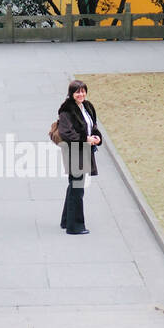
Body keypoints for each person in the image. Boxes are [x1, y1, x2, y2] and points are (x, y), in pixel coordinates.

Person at [56, 79, 101, 234]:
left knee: (74, 186)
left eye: (83, 91)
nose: (81, 94)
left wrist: (96, 136)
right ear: (71, 94)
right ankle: (74, 226)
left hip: (85, 150)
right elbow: (66, 133)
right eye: (77, 91)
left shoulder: (87, 107)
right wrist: (86, 138)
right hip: (73, 152)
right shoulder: (66, 110)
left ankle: (66, 221)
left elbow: (92, 126)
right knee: (77, 188)